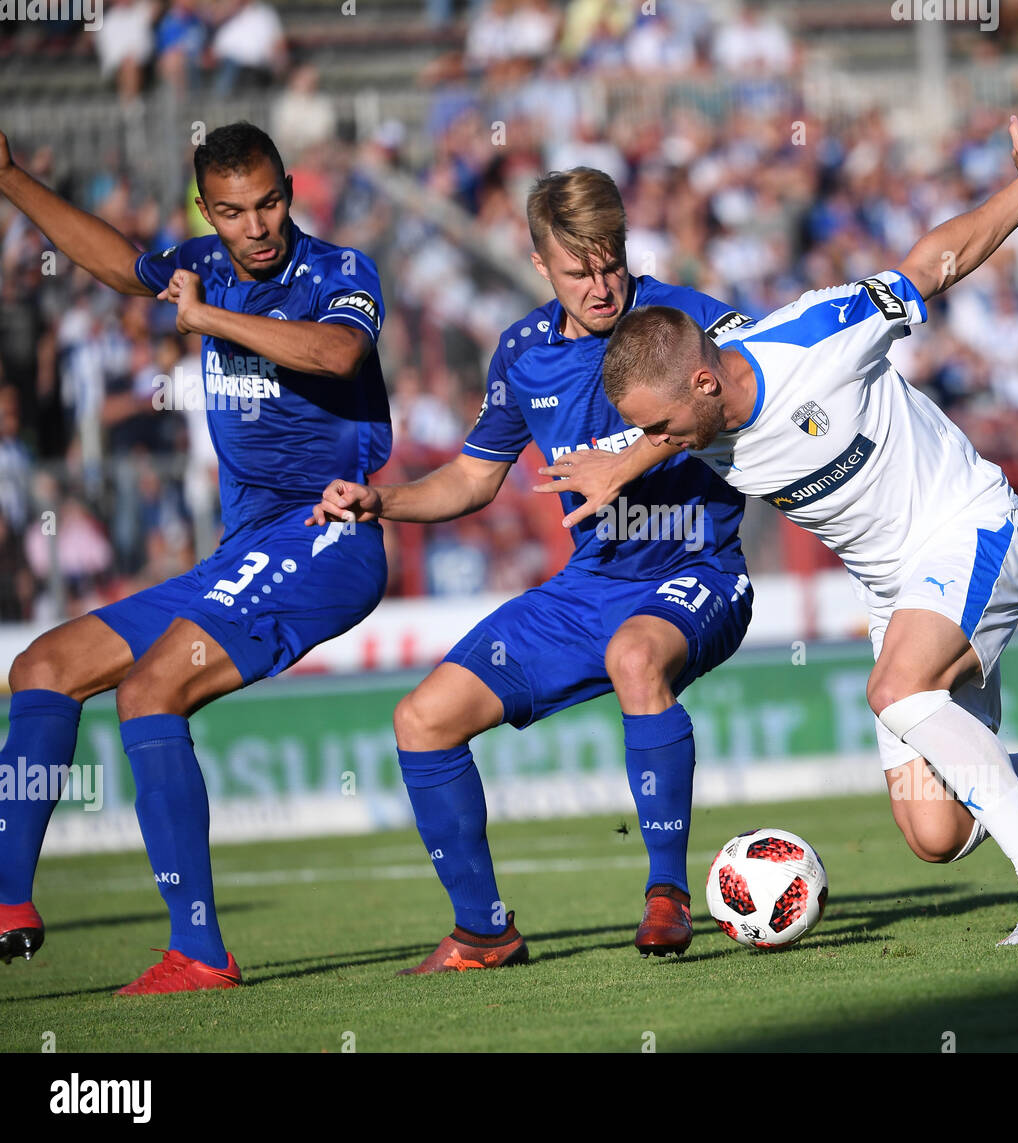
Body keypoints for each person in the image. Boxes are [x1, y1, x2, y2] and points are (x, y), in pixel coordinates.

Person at [593, 117, 1018, 945]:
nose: (660, 441)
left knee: (896, 690)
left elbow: (935, 262)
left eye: (662, 425)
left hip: (976, 529)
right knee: (937, 834)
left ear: (702, 380)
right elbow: (617, 445)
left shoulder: (816, 337)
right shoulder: (683, 416)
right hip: (896, 589)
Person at [309, 167, 754, 970]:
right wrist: (383, 501)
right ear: (540, 264)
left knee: (634, 657)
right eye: (579, 269)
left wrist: (631, 460)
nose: (602, 283)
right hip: (589, 591)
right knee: (423, 718)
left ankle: (667, 895)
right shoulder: (522, 353)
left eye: (612, 260)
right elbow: (476, 479)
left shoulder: (688, 317)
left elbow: (756, 387)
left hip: (700, 568)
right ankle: (484, 930)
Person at [0, 122, 392, 989]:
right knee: (43, 665)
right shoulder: (203, 264)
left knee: (149, 690)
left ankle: (199, 950)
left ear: (289, 189)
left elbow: (338, 353)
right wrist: (12, 178)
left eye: (269, 204)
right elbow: (119, 265)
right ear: (206, 211)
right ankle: (5, 902)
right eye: (232, 213)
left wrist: (207, 319)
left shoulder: (339, 273)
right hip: (246, 548)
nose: (256, 227)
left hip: (329, 533)